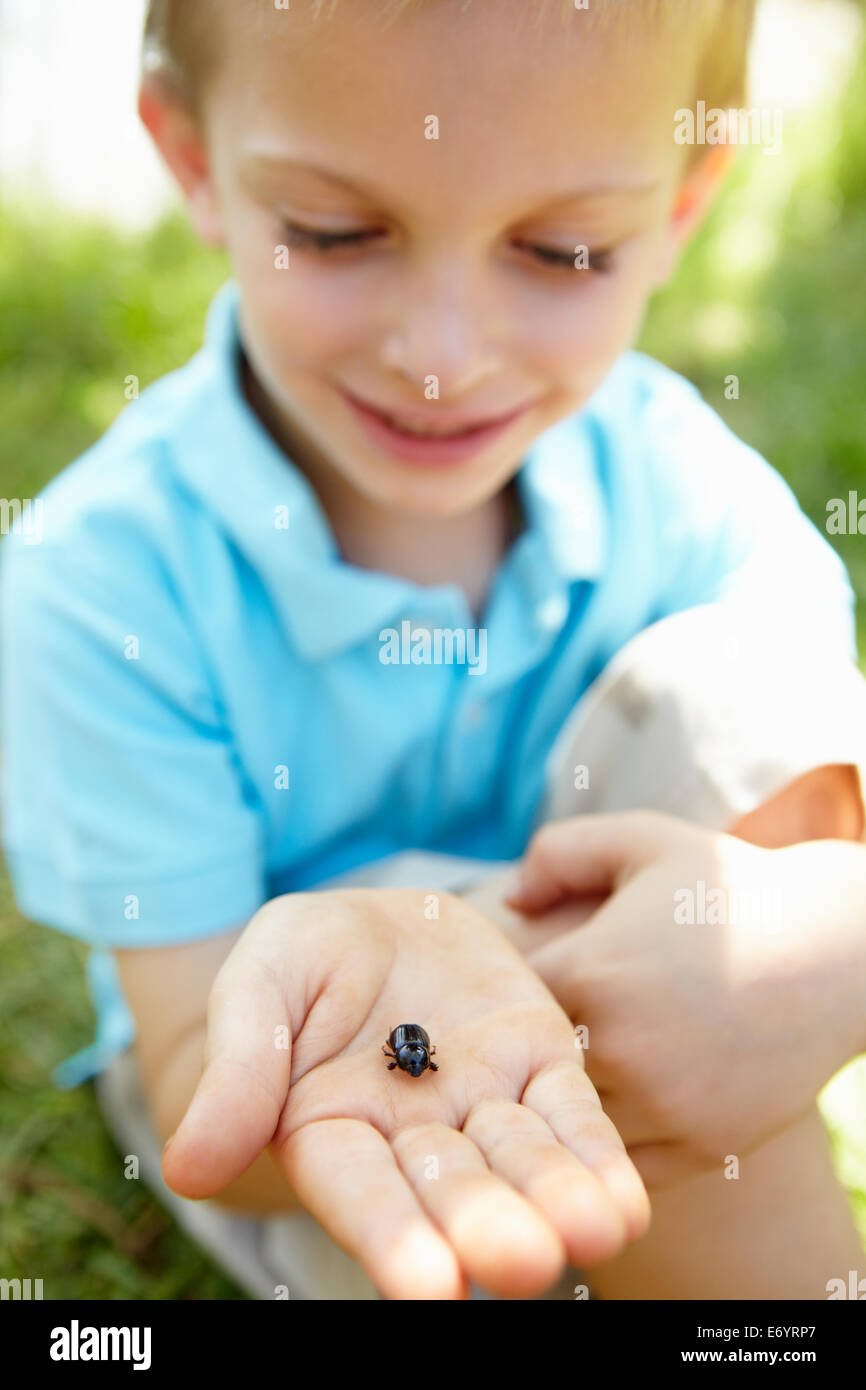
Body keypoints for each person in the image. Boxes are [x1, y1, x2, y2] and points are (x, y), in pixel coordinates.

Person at [1, 0, 864, 1299]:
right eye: (333, 234)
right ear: (191, 160)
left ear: (681, 205)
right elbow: (195, 1082)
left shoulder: (687, 494)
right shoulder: (100, 585)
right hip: (305, 1096)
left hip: (642, 963)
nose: (440, 356)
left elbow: (816, 819)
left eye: (563, 250)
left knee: (735, 690)